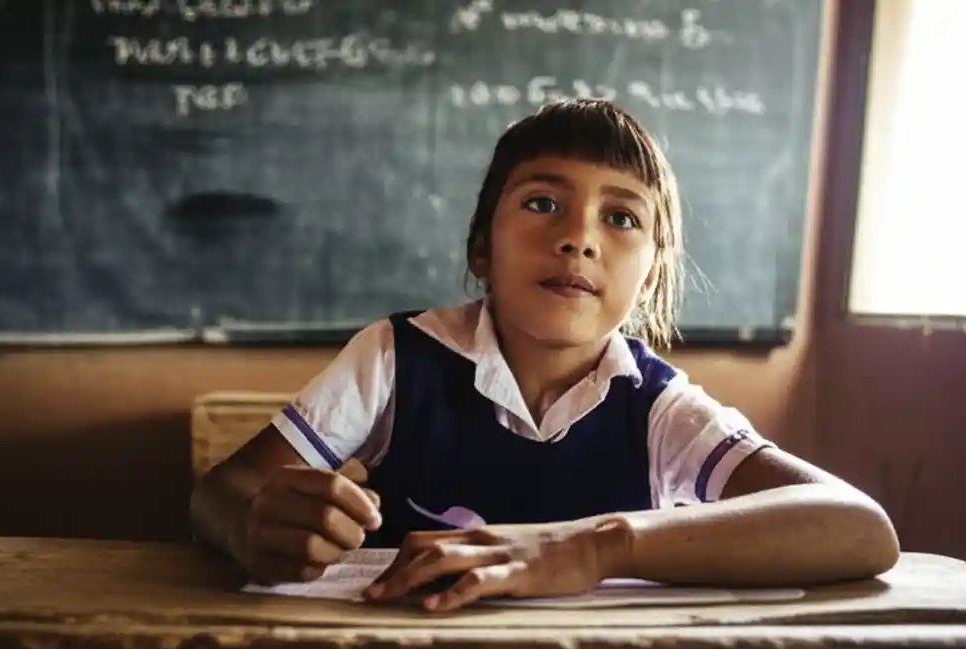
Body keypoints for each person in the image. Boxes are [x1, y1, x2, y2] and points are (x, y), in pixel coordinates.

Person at [190, 99, 899, 612]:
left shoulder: (657, 407)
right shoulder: (398, 358)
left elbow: (857, 527)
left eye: (621, 218)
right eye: (541, 204)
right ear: (481, 247)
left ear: (650, 274)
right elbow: (220, 493)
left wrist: (593, 547)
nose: (578, 239)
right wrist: (252, 528)